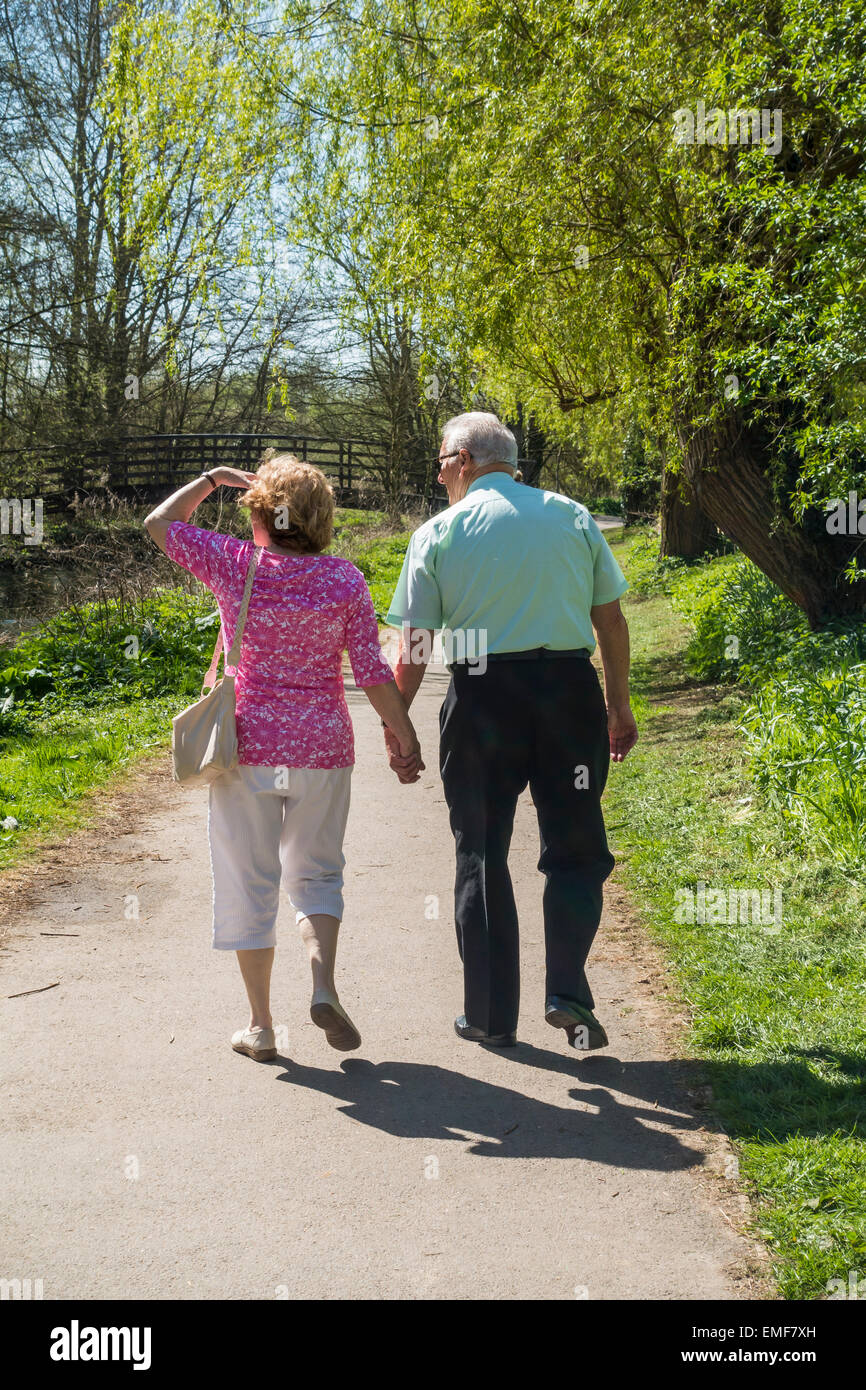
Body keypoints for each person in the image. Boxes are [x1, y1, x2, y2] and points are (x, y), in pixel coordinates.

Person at [144, 452, 422, 1062]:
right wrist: (403, 734)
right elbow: (373, 671)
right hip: (323, 747)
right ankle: (322, 984)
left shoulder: (233, 563)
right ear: (321, 519)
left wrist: (213, 479)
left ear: (259, 512)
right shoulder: (345, 579)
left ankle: (262, 1027)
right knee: (317, 874)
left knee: (251, 880)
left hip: (248, 748)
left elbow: (158, 524)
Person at [384, 412, 637, 1049]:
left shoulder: (439, 531)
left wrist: (400, 724)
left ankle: (493, 1016)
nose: (439, 472)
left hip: (482, 701)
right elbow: (609, 621)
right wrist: (618, 705)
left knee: (483, 849)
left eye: (441, 460)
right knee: (577, 850)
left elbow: (415, 642)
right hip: (568, 695)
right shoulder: (574, 517)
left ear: (464, 459)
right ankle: (567, 993)